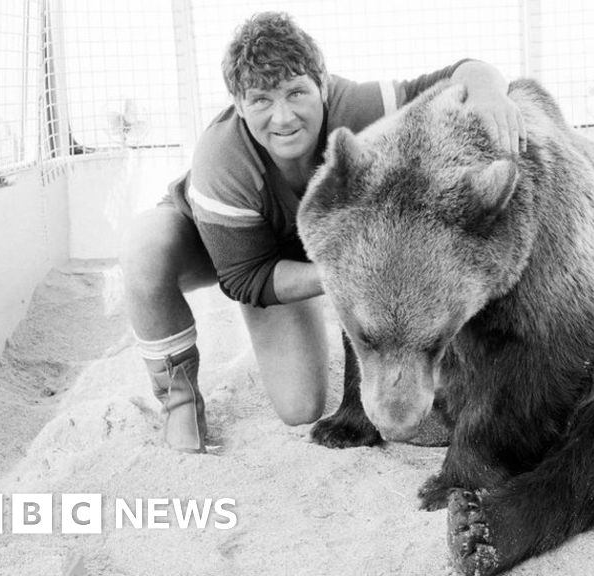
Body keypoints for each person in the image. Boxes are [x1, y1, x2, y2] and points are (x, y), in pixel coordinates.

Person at [120, 11, 526, 453]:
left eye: (297, 92)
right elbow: (242, 278)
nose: (283, 116)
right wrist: (353, 277)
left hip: (307, 253)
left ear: (323, 86)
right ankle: (180, 403)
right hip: (243, 254)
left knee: (300, 406)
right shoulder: (222, 159)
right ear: (238, 105)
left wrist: (488, 91)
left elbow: (459, 73)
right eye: (260, 100)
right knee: (144, 248)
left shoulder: (357, 108)